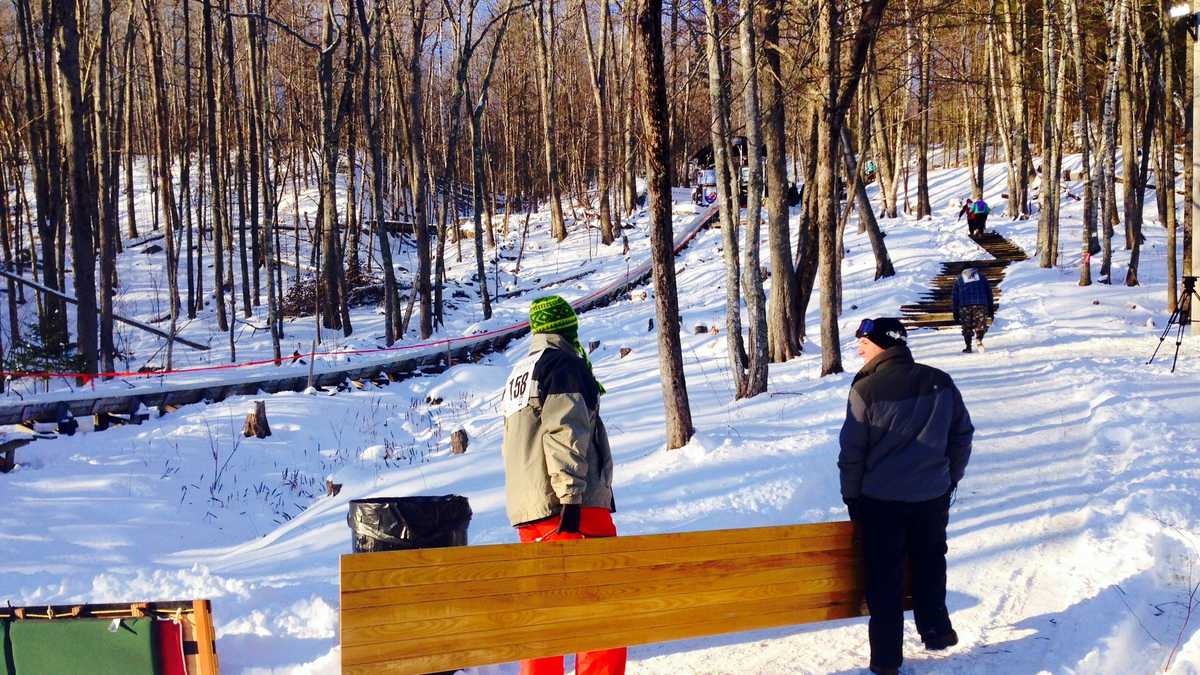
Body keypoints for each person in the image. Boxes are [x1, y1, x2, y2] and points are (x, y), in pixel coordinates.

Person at [839, 317, 974, 675]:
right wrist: (949, 478)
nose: (859, 350)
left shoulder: (866, 389)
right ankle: (935, 630)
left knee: (884, 577)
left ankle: (886, 659)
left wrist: (852, 498)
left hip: (881, 503)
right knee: (930, 560)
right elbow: (962, 435)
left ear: (883, 344)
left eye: (864, 343)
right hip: (931, 497)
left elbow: (852, 452)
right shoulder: (940, 381)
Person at [499, 295, 625, 675]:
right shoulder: (563, 365)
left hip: (531, 513)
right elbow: (565, 432)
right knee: (604, 612)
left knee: (545, 616)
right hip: (571, 510)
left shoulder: (520, 372)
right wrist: (570, 498)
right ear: (568, 329)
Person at [951, 267, 995, 353]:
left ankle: (968, 347)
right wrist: (990, 307)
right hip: (981, 304)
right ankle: (979, 339)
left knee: (966, 326)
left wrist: (955, 311)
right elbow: (989, 293)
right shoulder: (982, 277)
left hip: (965, 306)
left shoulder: (959, 279)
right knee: (980, 325)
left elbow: (955, 296)